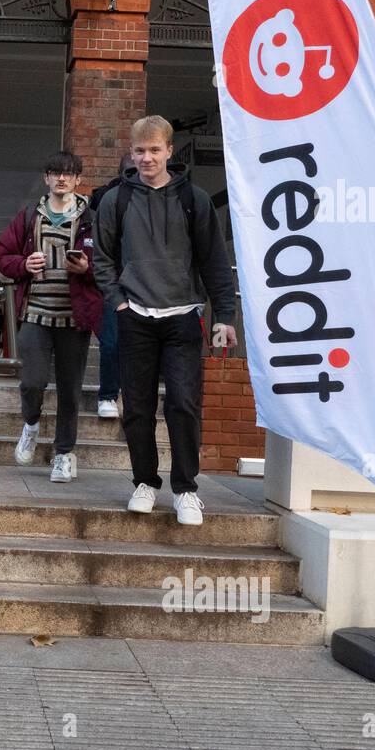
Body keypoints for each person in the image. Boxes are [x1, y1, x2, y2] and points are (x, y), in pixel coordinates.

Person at [92, 116, 237, 526]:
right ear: (131, 152)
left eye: (155, 150)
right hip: (135, 315)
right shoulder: (115, 200)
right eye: (140, 151)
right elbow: (101, 258)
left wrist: (224, 315)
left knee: (183, 405)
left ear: (170, 151)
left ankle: (186, 490)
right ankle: (145, 482)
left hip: (182, 317)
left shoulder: (194, 199)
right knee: (136, 408)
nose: (147, 158)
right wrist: (118, 300)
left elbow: (214, 262)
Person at [0, 150, 102, 483]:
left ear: (78, 180)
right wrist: (23, 265)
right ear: (46, 178)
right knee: (31, 382)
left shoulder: (93, 220)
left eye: (68, 173)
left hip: (74, 319)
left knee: (70, 390)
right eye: (55, 172)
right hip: (35, 314)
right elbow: (2, 255)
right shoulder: (29, 216)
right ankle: (30, 425)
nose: (61, 178)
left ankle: (64, 454)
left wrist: (87, 268)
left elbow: (111, 266)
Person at [89, 156, 130, 420]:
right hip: (115, 281)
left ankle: (132, 400)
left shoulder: (161, 197)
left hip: (149, 282)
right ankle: (107, 395)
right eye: (131, 170)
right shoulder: (108, 199)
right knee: (112, 343)